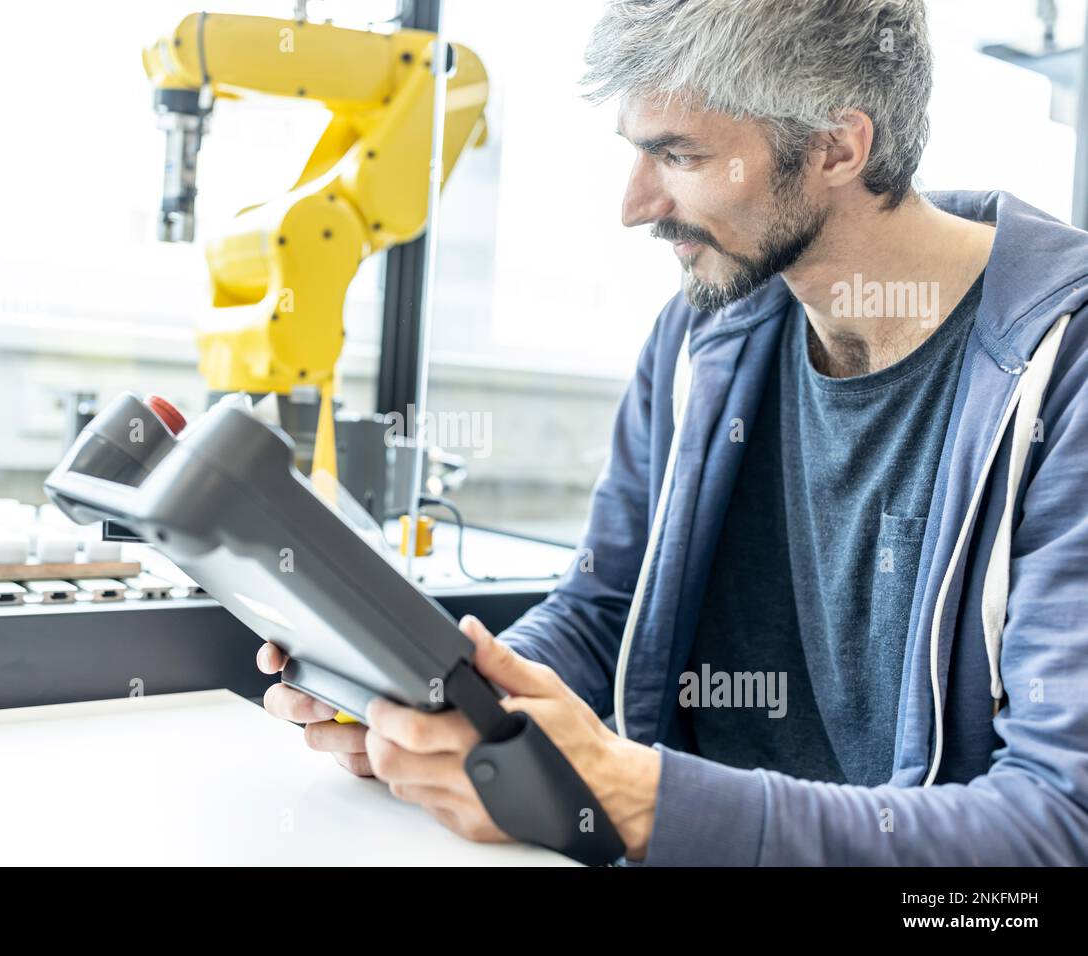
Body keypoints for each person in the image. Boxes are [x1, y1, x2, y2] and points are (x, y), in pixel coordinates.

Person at [259, 0, 1088, 864]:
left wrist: (636, 795)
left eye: (680, 155)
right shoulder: (702, 340)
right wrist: (451, 704)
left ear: (839, 148)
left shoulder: (1064, 370)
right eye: (637, 151)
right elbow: (605, 607)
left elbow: (1055, 824)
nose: (635, 205)